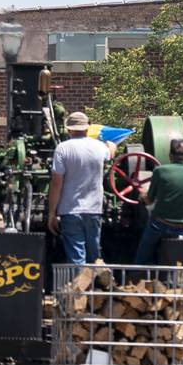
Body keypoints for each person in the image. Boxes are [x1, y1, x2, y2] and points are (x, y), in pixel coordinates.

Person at [46, 111, 109, 264]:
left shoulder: (63, 148)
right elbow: (110, 155)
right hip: (94, 209)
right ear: (87, 128)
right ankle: (96, 285)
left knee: (76, 256)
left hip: (70, 209)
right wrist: (112, 145)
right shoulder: (100, 147)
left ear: (69, 129)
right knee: (95, 255)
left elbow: (56, 183)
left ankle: (78, 286)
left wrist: (51, 213)